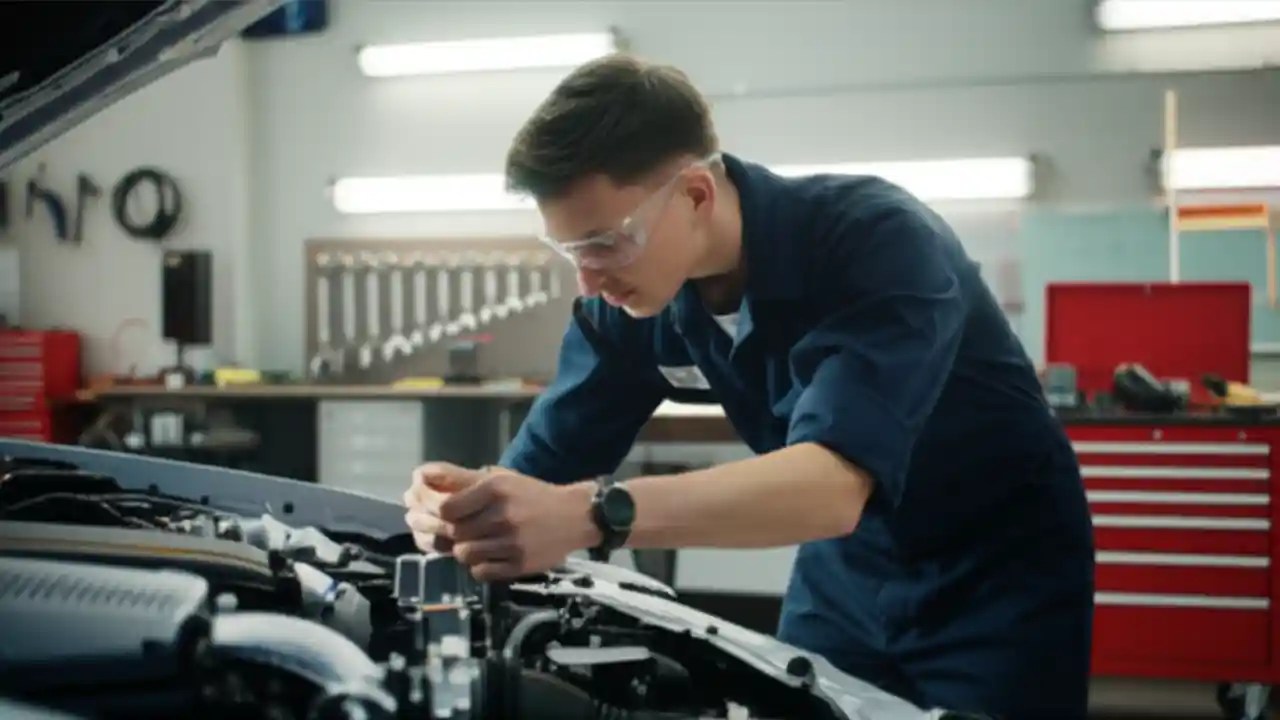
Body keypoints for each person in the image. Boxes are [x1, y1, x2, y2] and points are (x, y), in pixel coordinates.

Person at [402, 53, 1095, 719]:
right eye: (570, 252)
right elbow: (541, 468)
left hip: (996, 567)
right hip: (846, 571)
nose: (587, 280)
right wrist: (472, 511)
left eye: (603, 243)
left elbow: (832, 488)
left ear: (697, 194)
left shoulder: (876, 240)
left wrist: (595, 514)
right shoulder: (632, 301)